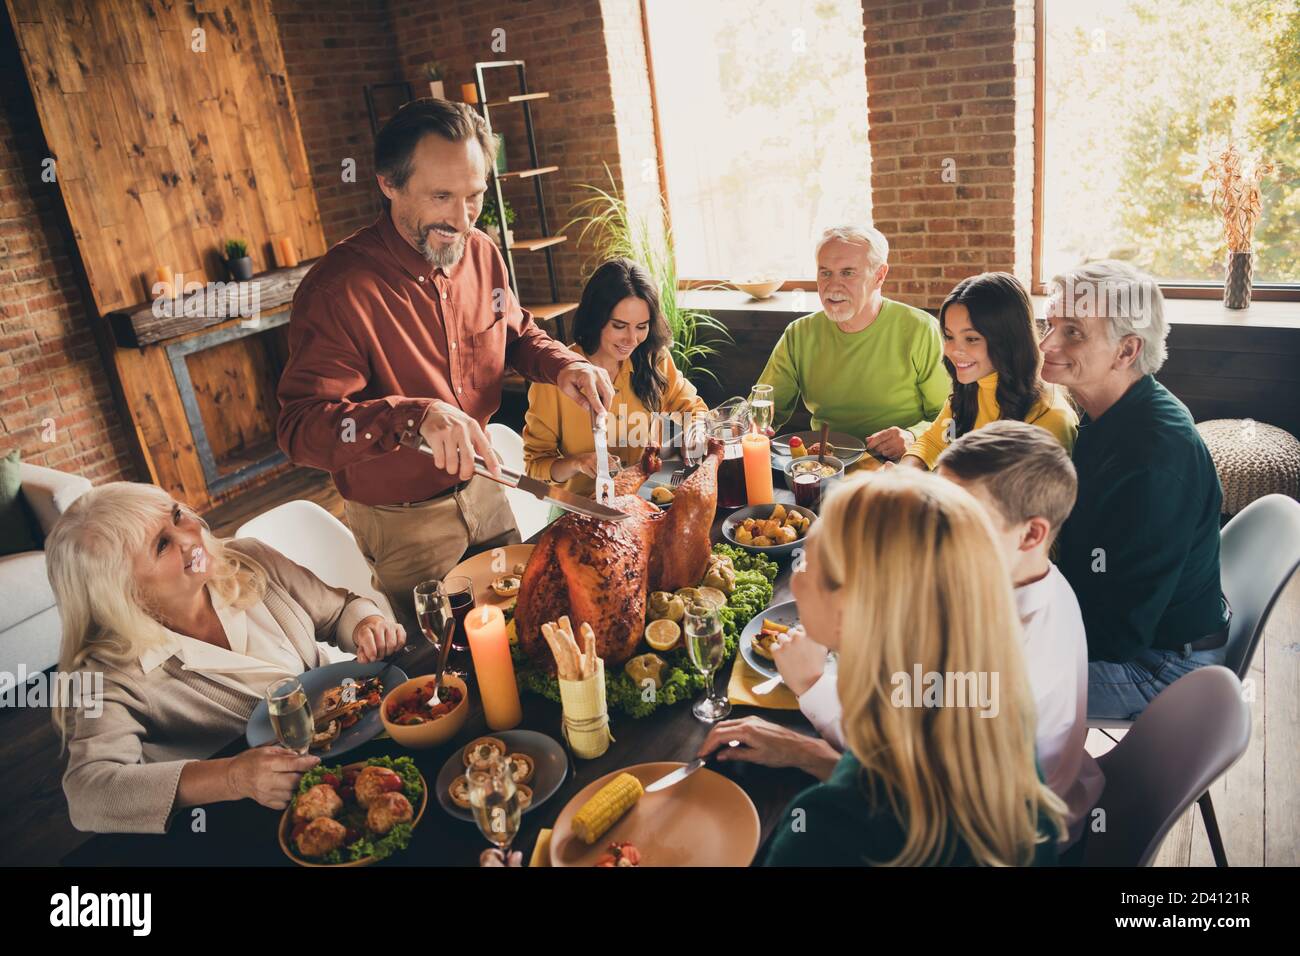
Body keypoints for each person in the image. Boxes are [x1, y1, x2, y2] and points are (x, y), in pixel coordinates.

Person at [276, 98, 613, 626]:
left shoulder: (481, 252)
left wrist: (562, 363)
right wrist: (412, 416)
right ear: (388, 182)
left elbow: (516, 330)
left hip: (490, 489)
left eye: (474, 196)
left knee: (536, 624)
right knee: (448, 668)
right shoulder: (337, 289)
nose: (461, 219)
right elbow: (299, 430)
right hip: (403, 525)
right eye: (441, 197)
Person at [699, 470, 1065, 866]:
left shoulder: (827, 829)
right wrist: (809, 754)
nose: (797, 579)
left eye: (808, 566)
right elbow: (901, 785)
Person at [45, 483, 406, 834]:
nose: (190, 536)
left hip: (359, 733)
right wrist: (233, 777)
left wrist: (366, 624)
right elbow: (89, 793)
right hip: (261, 813)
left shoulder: (250, 558)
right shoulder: (103, 674)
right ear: (119, 590)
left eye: (177, 515)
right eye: (162, 545)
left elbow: (339, 611)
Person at [1042, 261, 1228, 719]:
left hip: (1161, 666)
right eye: (1049, 325)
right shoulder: (1107, 407)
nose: (1047, 344)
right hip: (1133, 632)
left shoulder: (1152, 458)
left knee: (968, 693)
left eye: (1074, 333)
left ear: (1126, 350)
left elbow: (1118, 636)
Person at [935, 421, 1103, 849]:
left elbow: (926, 784)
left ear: (1031, 533)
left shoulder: (1006, 649)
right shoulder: (1036, 576)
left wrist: (811, 690)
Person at [755, 226, 949, 462]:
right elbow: (763, 410)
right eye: (825, 273)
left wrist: (912, 436)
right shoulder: (799, 333)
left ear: (879, 275)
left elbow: (952, 416)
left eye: (847, 273)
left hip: (900, 464)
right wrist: (752, 426)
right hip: (823, 465)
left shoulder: (921, 329)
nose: (833, 286)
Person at [522, 258, 708, 502]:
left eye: (641, 326)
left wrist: (695, 432)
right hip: (580, 509)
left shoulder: (654, 360)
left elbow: (694, 408)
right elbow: (535, 467)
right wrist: (577, 462)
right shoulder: (556, 378)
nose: (632, 339)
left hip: (641, 500)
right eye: (619, 326)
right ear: (596, 319)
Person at [899, 272, 1077, 469]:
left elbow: (1022, 498)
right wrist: (901, 473)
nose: (952, 350)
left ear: (1009, 339)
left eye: (972, 339)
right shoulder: (970, 388)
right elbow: (932, 442)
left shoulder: (1050, 419)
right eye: (949, 336)